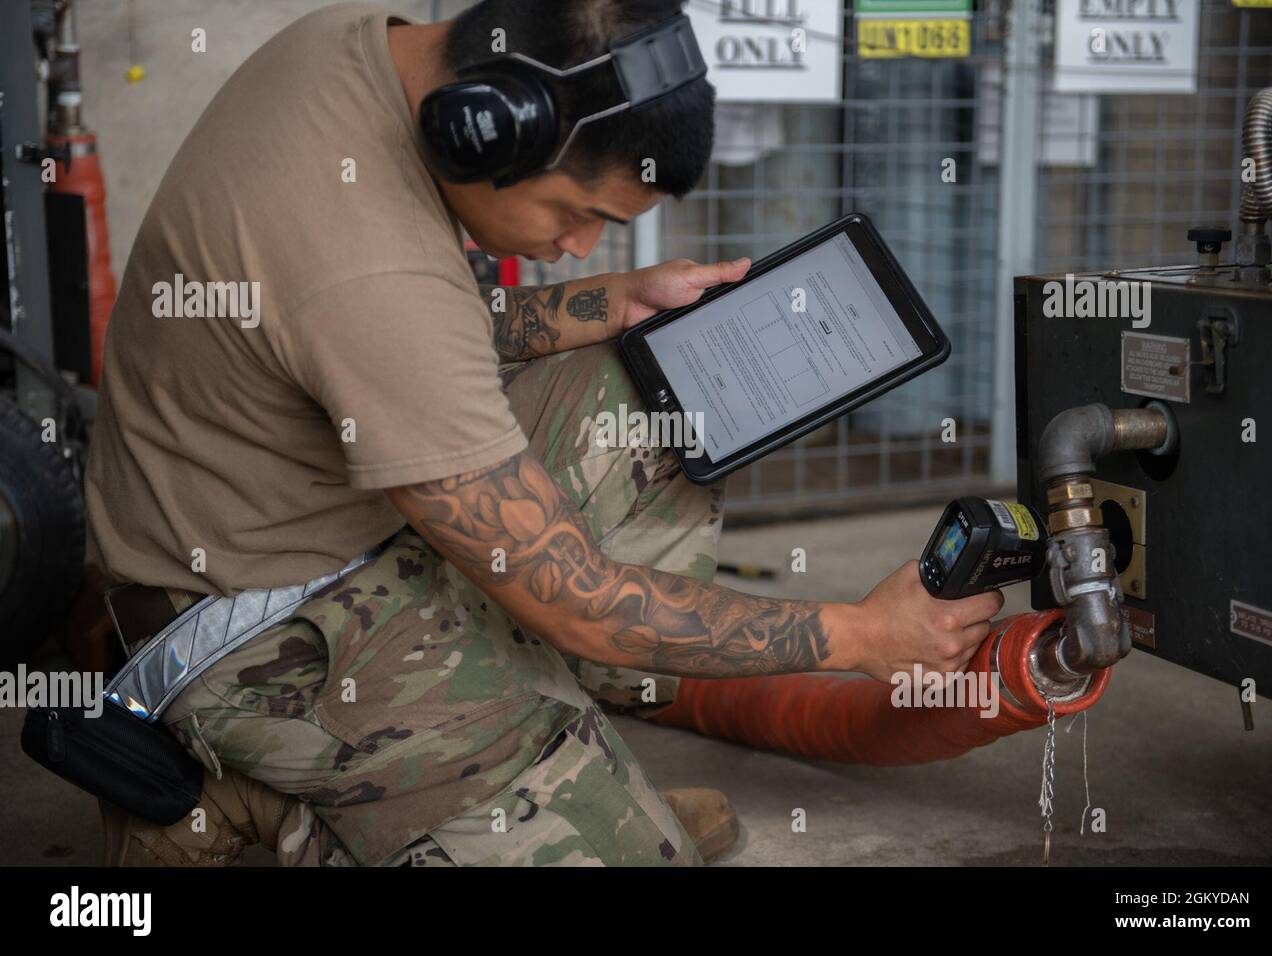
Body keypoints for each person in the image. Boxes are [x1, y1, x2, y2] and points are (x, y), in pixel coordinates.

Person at [86, 0, 1002, 867]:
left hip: (323, 504)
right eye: (579, 215)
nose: (579, 247)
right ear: (493, 129)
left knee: (659, 394)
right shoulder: (366, 268)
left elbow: (417, 333)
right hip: (248, 622)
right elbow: (581, 601)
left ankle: (543, 753)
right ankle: (252, 801)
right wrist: (860, 634)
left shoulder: (358, 50)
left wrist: (613, 303)